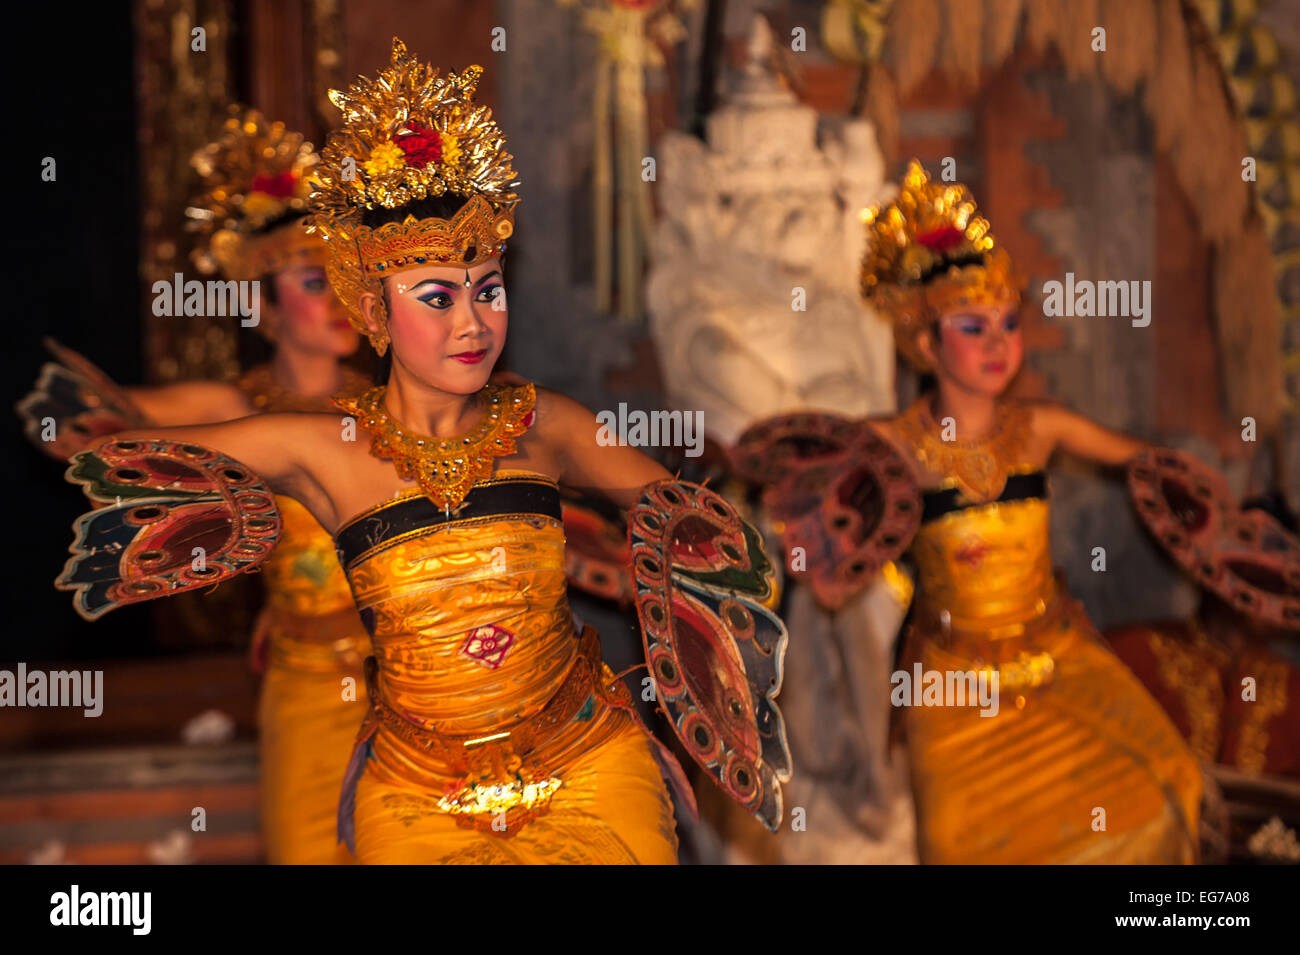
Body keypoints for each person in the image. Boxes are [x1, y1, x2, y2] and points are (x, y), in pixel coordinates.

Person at [55, 39, 789, 864]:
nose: (471, 323)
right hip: (414, 796)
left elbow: (692, 526)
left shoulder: (547, 423)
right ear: (372, 308)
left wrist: (735, 554)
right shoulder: (319, 446)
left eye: (488, 289)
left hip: (587, 764)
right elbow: (115, 459)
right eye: (436, 297)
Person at [19, 107, 371, 864]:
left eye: (347, 277)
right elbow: (81, 420)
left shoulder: (391, 404)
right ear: (263, 306)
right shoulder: (235, 409)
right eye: (315, 281)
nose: (339, 299)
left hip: (405, 675)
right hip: (304, 682)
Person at [860, 161, 1203, 863]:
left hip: (1056, 662)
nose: (997, 343)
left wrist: (1211, 510)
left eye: (1008, 323)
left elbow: (1156, 467)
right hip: (951, 686)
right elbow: (797, 470)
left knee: (1167, 788)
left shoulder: (1042, 428)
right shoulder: (889, 444)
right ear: (926, 343)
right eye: (972, 326)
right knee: (956, 843)